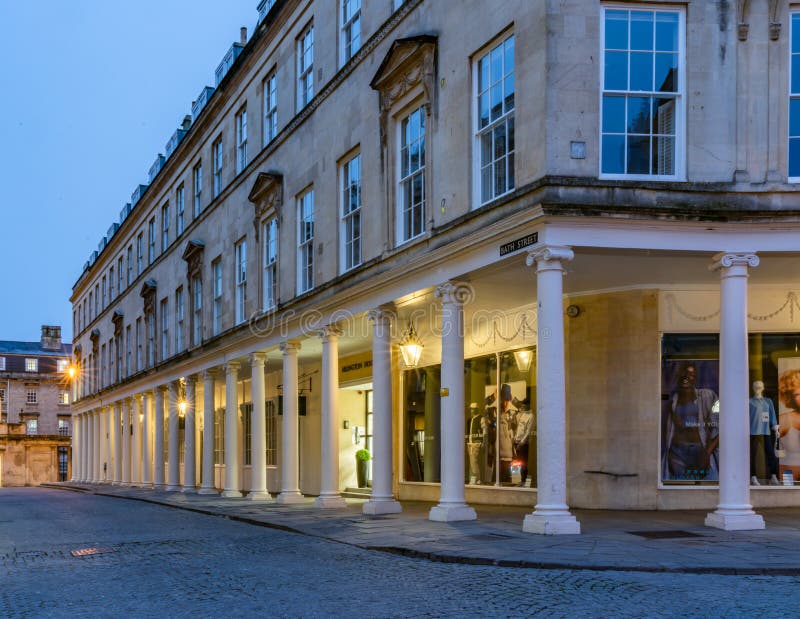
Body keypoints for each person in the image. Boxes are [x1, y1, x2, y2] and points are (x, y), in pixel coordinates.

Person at [663, 362, 719, 481]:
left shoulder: (709, 396)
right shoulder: (672, 401)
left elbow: (722, 427)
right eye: (683, 374)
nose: (686, 377)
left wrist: (707, 453)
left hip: (700, 451)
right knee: (679, 488)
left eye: (691, 375)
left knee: (711, 484)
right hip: (677, 453)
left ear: (696, 379)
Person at [749, 380, 779, 485]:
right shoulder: (749, 402)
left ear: (763, 388)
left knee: (770, 453)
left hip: (766, 431)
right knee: (752, 455)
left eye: (760, 387)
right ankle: (753, 476)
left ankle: (774, 475)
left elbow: (772, 414)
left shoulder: (768, 401)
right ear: (753, 388)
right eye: (756, 387)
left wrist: (775, 426)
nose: (758, 389)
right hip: (752, 432)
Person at [777, 368, 800, 483]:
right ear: (789, 396)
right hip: (788, 474)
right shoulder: (784, 419)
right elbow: (775, 447)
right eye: (798, 394)